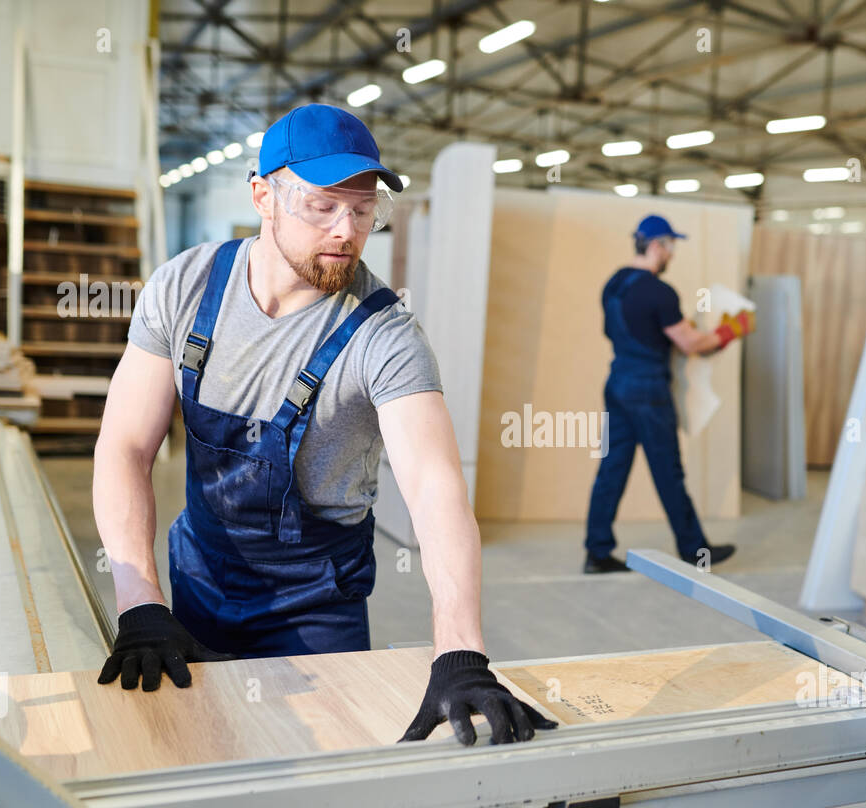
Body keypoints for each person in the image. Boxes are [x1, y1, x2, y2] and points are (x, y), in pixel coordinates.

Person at [93, 103, 554, 746]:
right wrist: (139, 602)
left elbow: (434, 489)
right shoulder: (184, 289)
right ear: (263, 195)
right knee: (199, 764)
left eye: (363, 210)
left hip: (317, 604)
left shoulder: (385, 337)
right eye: (323, 206)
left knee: (322, 778)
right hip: (200, 579)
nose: (347, 229)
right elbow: (124, 447)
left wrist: (461, 651)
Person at [583, 215, 753, 574]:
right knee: (668, 471)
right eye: (671, 246)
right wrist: (729, 331)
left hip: (618, 382)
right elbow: (690, 344)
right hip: (647, 389)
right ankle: (695, 552)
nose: (672, 254)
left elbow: (617, 331)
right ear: (657, 245)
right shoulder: (660, 291)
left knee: (611, 469)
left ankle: (596, 553)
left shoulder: (613, 284)